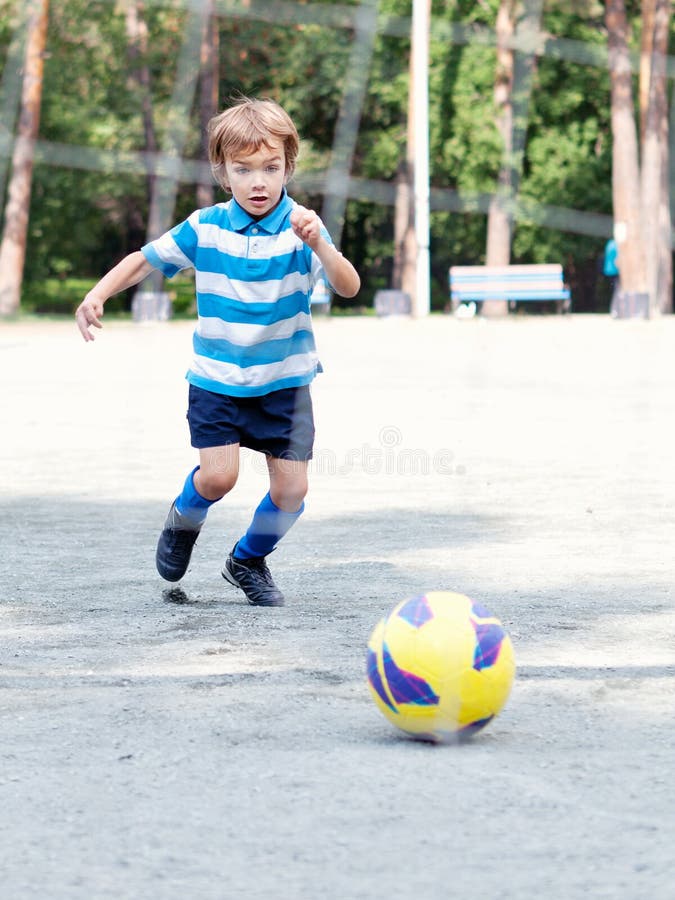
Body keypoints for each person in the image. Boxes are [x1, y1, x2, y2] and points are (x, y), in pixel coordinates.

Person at [75, 97, 361, 606]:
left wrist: (322, 245)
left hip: (285, 384)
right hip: (217, 380)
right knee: (219, 476)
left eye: (270, 168)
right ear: (223, 173)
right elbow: (143, 261)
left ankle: (247, 559)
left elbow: (349, 286)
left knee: (292, 493)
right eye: (243, 169)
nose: (258, 181)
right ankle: (183, 520)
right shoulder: (205, 225)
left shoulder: (303, 228)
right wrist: (98, 294)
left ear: (288, 167)